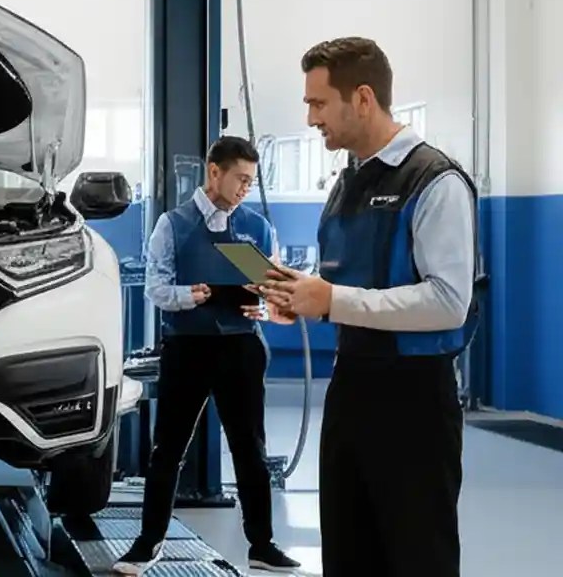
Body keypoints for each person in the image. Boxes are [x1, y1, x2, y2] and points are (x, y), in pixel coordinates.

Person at [257, 37, 477, 577]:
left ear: (361, 98)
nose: (310, 118)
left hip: (414, 400)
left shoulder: (435, 181)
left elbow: (450, 302)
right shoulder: (346, 183)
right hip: (352, 387)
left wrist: (332, 300)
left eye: (318, 104)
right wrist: (302, 299)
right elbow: (346, 284)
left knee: (415, 556)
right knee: (349, 555)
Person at [113, 136, 301, 576]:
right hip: (188, 347)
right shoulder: (172, 225)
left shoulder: (257, 227)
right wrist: (190, 295)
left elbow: (279, 294)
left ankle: (262, 544)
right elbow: (156, 289)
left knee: (250, 448)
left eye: (251, 183)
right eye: (239, 179)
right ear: (214, 171)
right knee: (168, 449)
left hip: (242, 346)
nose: (244, 190)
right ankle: (148, 543)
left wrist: (267, 306)